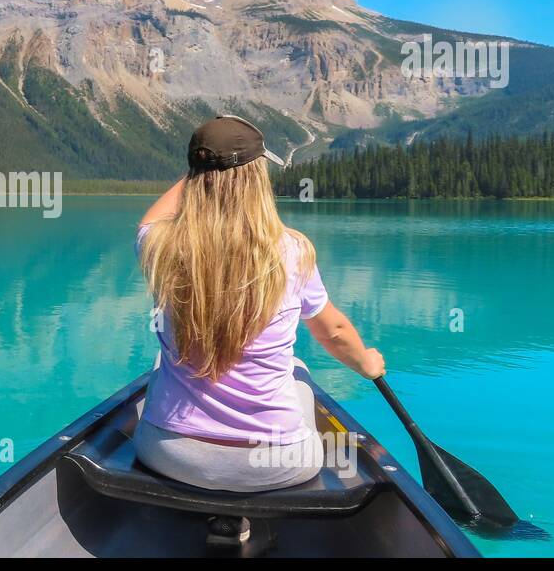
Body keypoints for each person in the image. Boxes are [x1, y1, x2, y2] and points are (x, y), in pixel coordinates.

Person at [134, 115, 386, 492]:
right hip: (275, 465)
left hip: (169, 455)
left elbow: (151, 220)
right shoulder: (292, 252)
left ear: (196, 177)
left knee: (160, 365)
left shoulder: (160, 247)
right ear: (256, 179)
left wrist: (203, 166)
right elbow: (332, 332)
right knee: (297, 372)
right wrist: (366, 362)